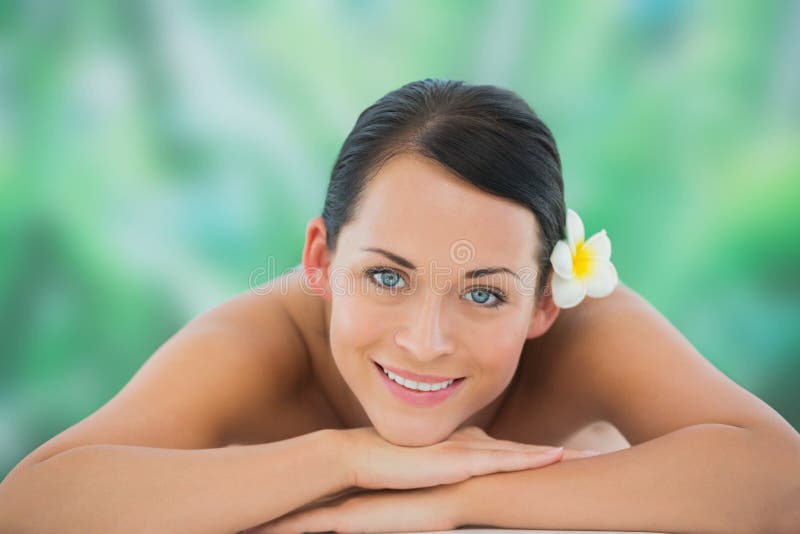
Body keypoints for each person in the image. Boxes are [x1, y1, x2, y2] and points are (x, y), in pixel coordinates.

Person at [0, 79, 797, 534]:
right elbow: (32, 509)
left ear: (545, 301)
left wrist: (457, 497)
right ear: (321, 258)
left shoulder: (590, 330)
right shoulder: (259, 343)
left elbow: (782, 483)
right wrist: (343, 460)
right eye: (386, 276)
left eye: (485, 292)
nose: (425, 340)